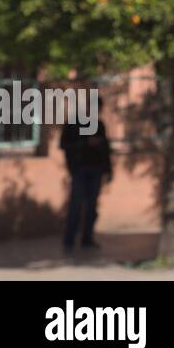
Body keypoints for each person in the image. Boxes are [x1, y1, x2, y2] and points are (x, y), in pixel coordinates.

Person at [61, 94, 112, 253]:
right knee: (76, 205)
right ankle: (69, 239)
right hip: (79, 169)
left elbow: (106, 149)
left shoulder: (99, 125)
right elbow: (64, 145)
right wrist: (85, 143)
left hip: (96, 170)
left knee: (92, 206)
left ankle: (87, 239)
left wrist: (108, 170)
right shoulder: (73, 123)